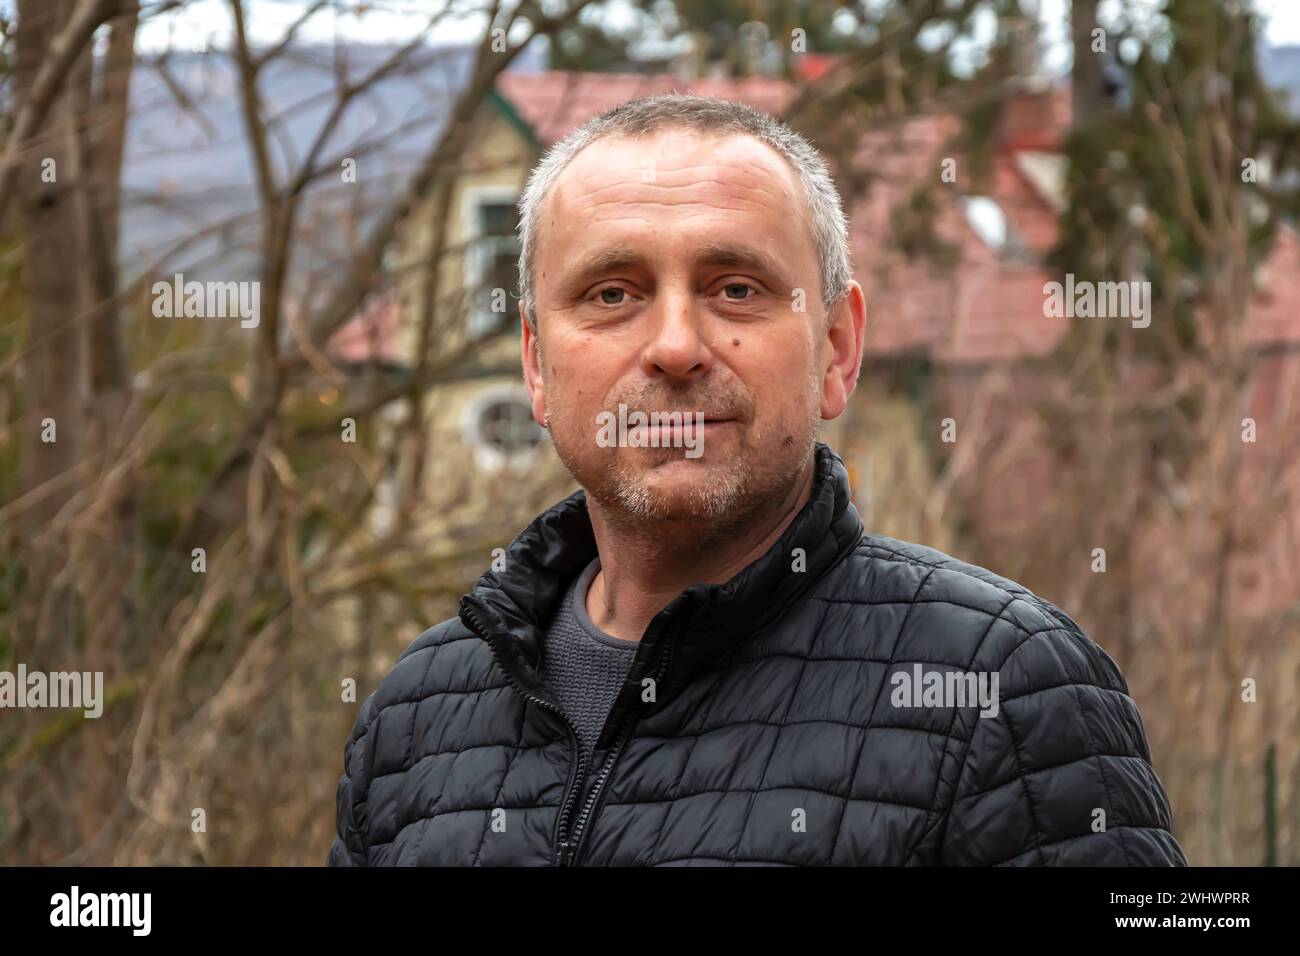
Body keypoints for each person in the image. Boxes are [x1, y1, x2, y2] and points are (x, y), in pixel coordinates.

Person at [328, 94, 1186, 867]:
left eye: (736, 289)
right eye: (612, 293)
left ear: (837, 351)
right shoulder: (415, 720)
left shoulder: (1007, 694)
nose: (673, 345)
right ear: (536, 365)